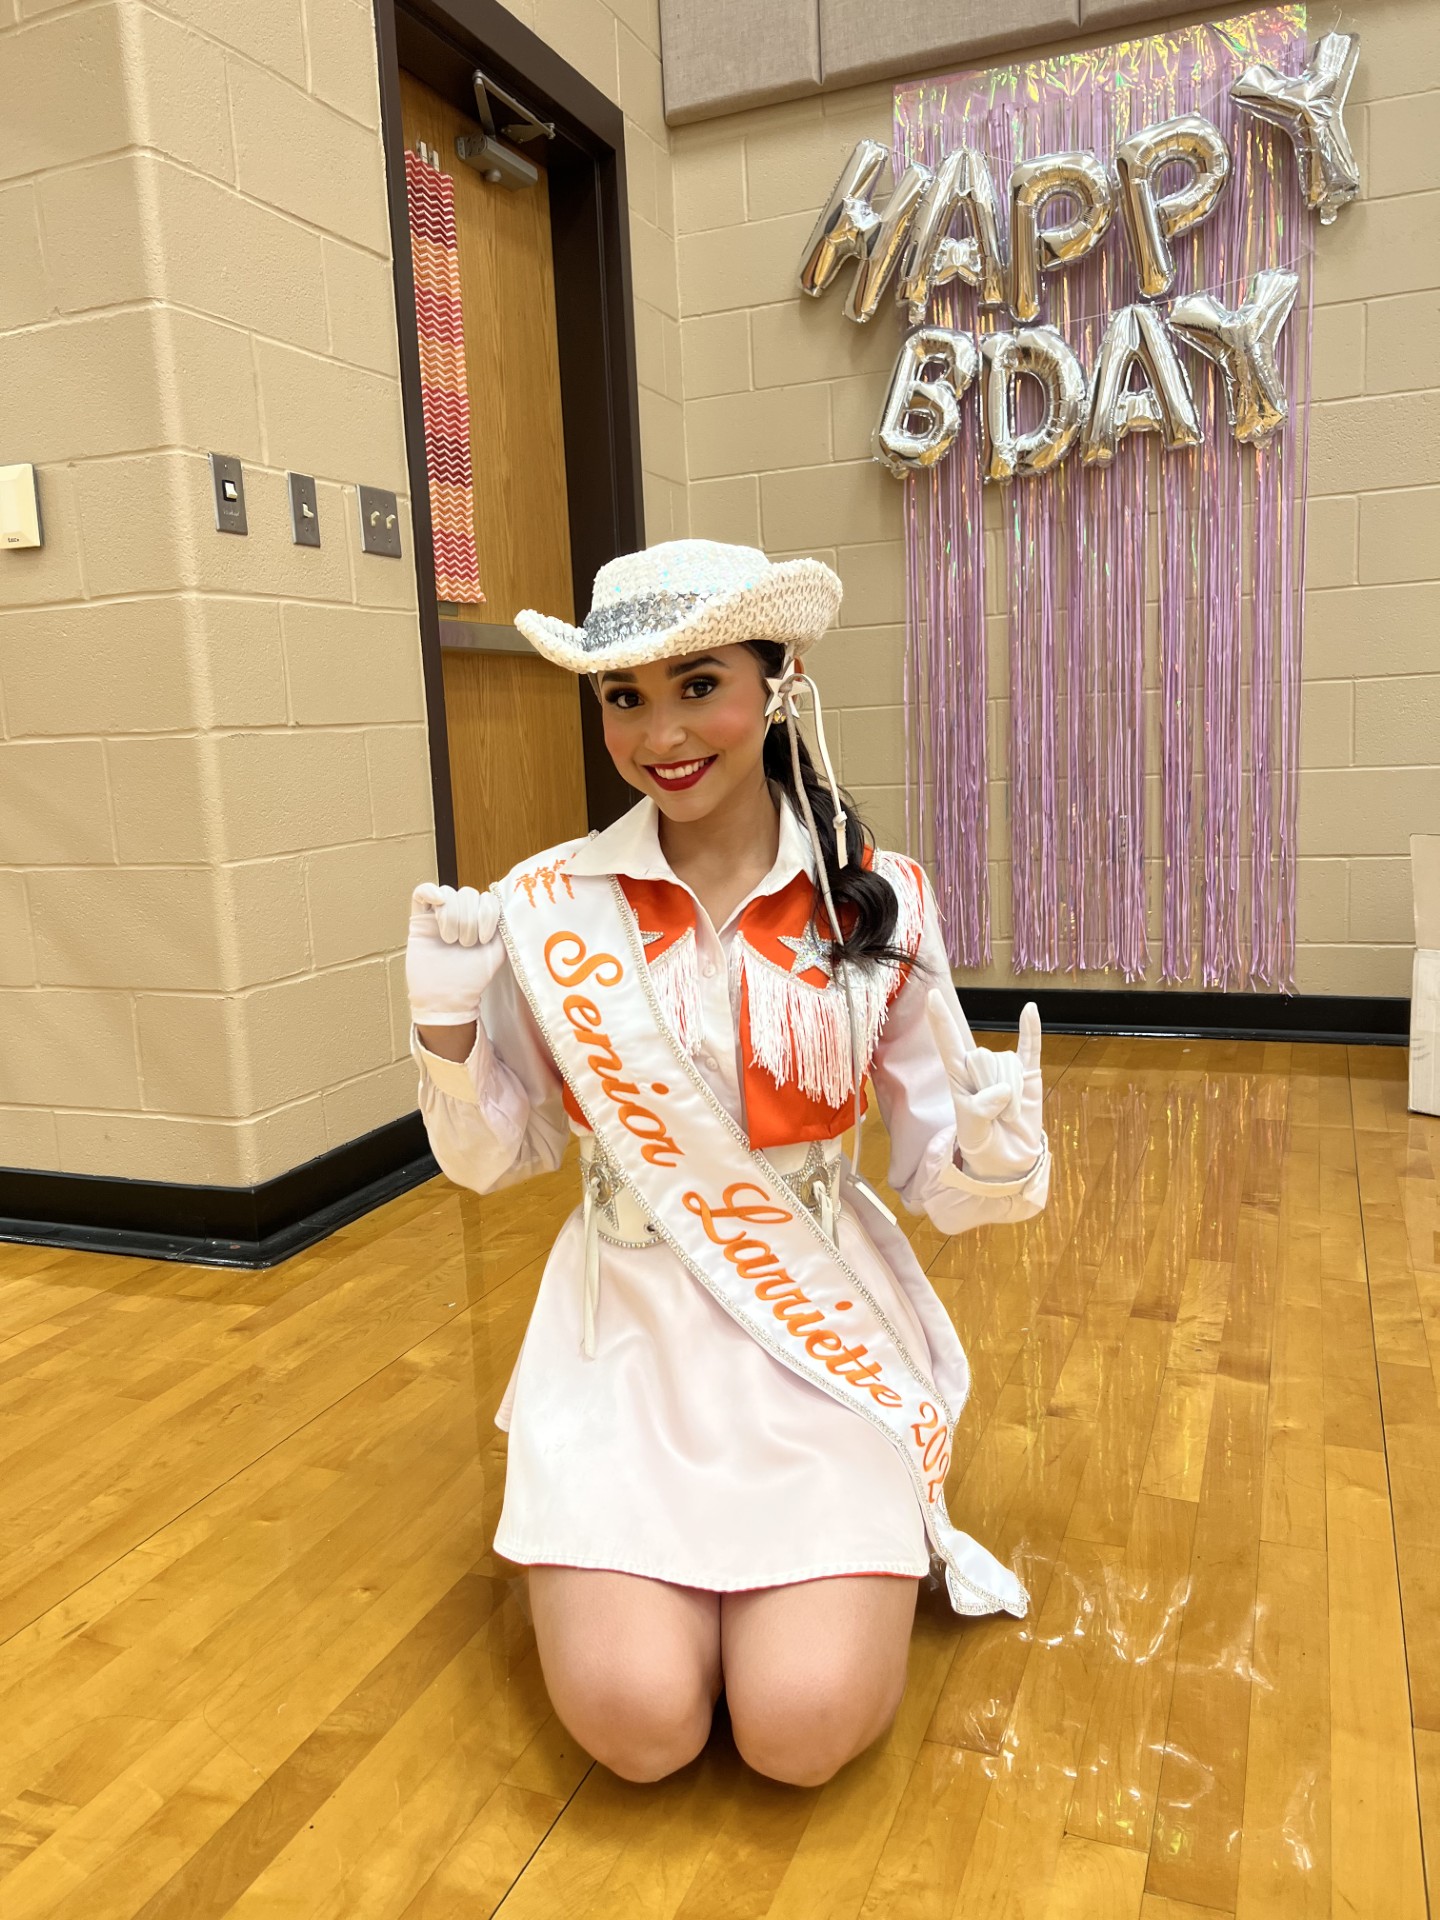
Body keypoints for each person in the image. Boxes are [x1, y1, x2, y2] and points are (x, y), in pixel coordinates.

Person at [404, 539, 1049, 1788]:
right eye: (625, 697)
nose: (661, 734)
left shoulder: (878, 903)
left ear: (777, 679)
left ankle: (824, 1561)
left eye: (699, 684)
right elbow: (500, 1157)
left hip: (818, 1339)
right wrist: (444, 1033)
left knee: (799, 1730)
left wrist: (992, 1148)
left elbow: (935, 1175)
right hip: (620, 1349)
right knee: (641, 1730)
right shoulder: (551, 906)